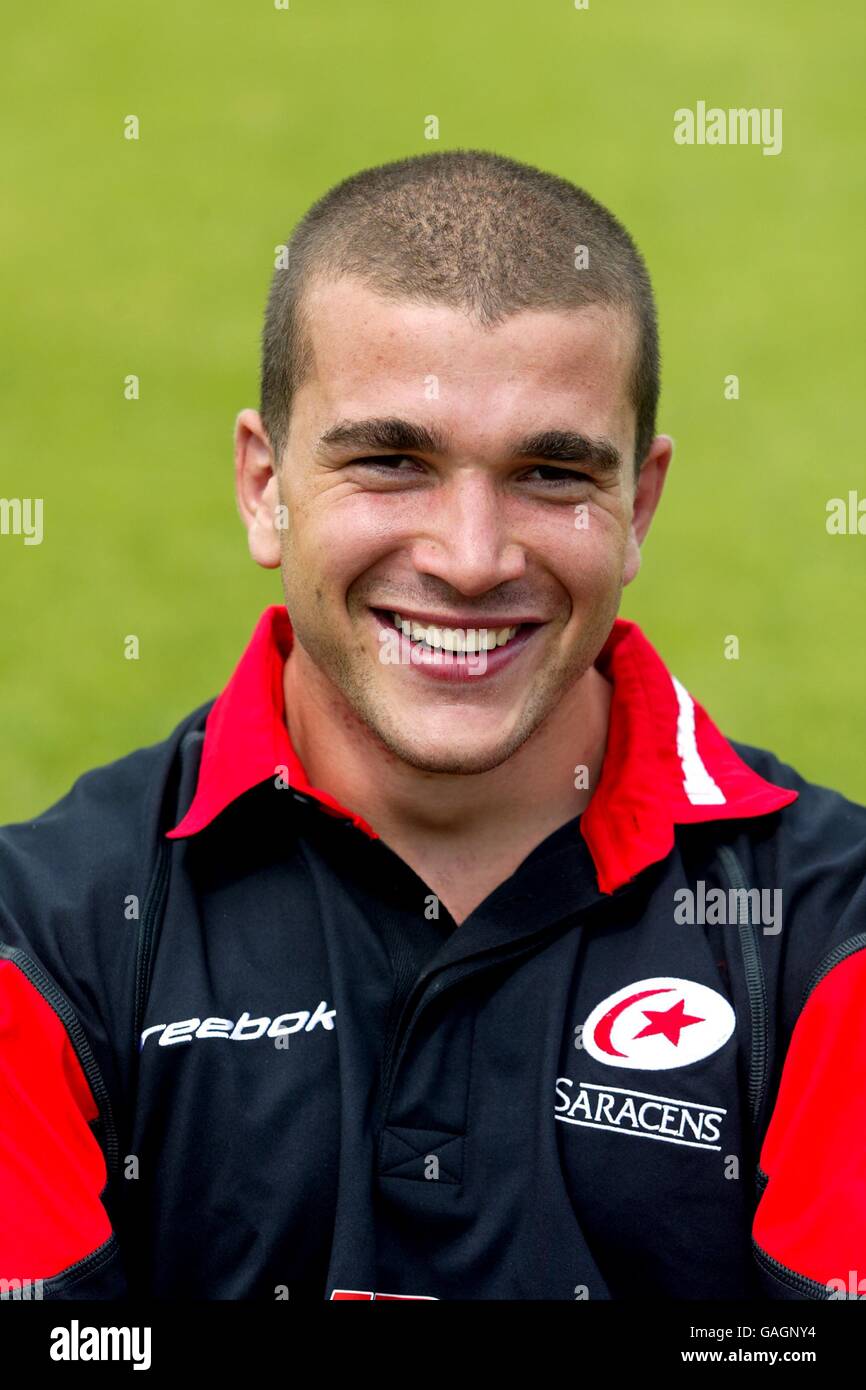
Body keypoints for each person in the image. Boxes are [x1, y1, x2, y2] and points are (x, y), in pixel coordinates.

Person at [1, 150, 864, 1302]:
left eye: (551, 474)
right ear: (265, 487)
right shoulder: (42, 943)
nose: (469, 557)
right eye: (390, 461)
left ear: (636, 506)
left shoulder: (832, 942)